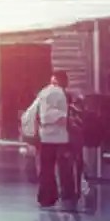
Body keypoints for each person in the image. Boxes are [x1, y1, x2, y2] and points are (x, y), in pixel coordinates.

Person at [22, 70, 77, 209]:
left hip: (45, 138)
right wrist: (63, 118)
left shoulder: (44, 92)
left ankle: (47, 197)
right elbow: (48, 116)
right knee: (64, 168)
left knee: (46, 169)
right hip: (58, 139)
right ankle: (66, 194)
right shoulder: (56, 93)